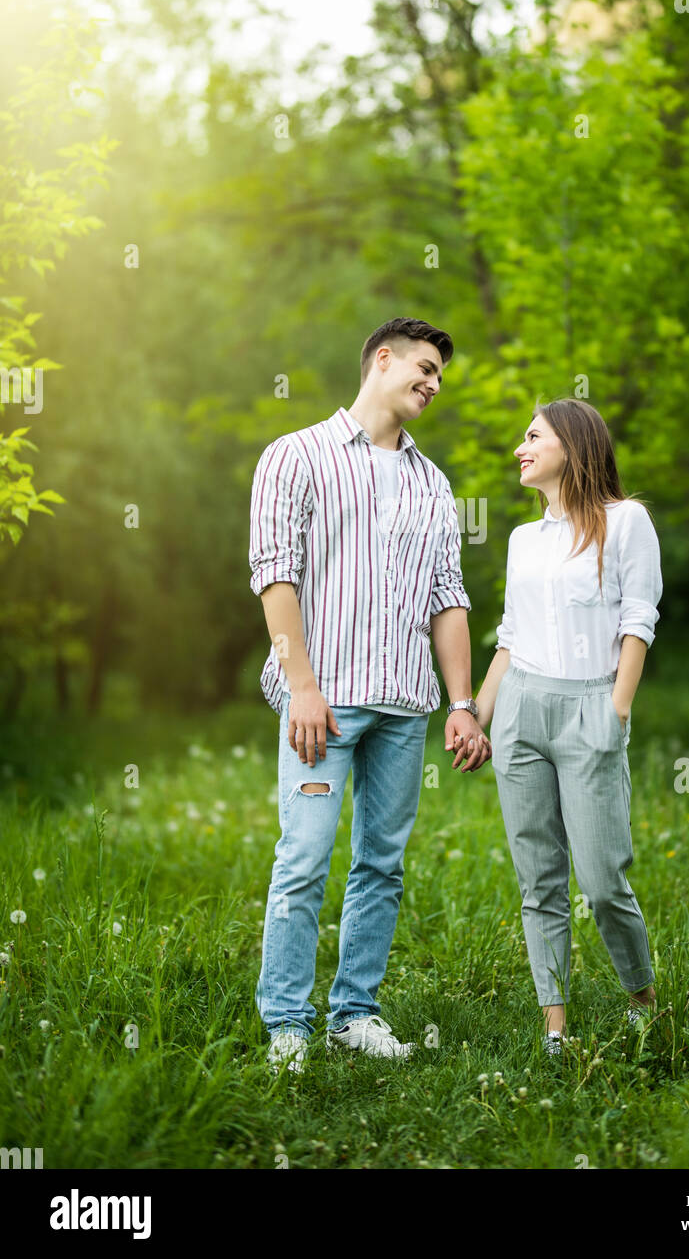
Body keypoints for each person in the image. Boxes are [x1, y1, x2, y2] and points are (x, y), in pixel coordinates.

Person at [248, 316, 491, 1074]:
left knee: (381, 864)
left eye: (440, 377)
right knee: (305, 858)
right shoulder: (298, 456)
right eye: (423, 367)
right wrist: (303, 687)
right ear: (381, 361)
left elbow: (448, 598)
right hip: (324, 703)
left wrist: (459, 703)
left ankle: (355, 1013)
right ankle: (287, 1022)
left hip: (403, 707)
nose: (433, 383)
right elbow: (274, 574)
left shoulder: (433, 483)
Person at [474, 398, 662, 1055]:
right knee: (540, 879)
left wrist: (615, 712)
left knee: (604, 881)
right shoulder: (524, 540)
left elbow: (639, 620)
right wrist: (476, 714)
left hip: (591, 709)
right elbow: (510, 638)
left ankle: (644, 1000)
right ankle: (555, 1027)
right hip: (522, 712)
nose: (519, 449)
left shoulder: (626, 522)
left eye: (532, 437)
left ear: (572, 445)